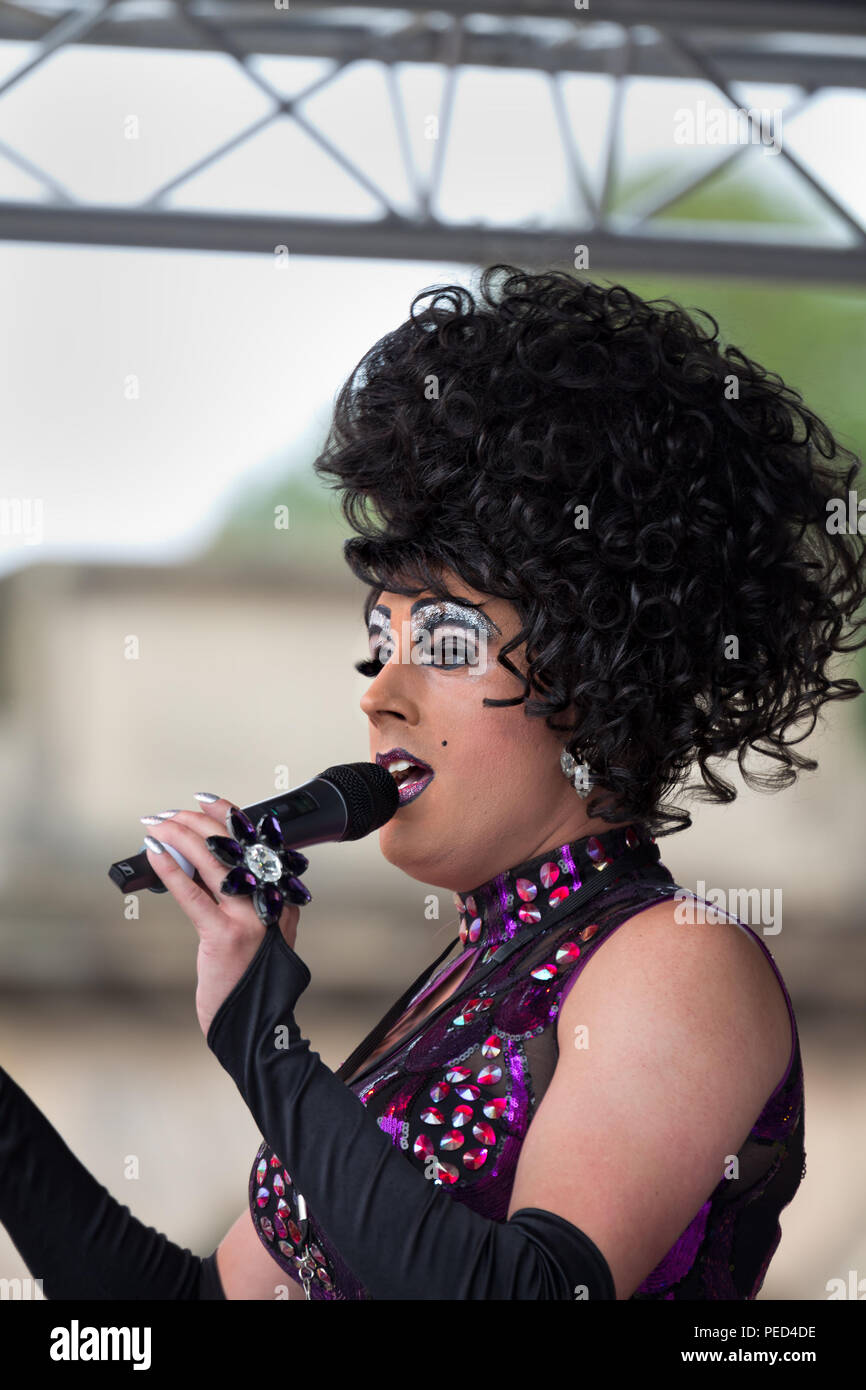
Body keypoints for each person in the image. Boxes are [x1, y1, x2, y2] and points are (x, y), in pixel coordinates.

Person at [1, 264, 864, 1301]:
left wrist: (263, 1041)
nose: (380, 694)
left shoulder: (677, 962)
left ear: (595, 675)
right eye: (380, 638)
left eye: (445, 640)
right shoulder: (466, 972)